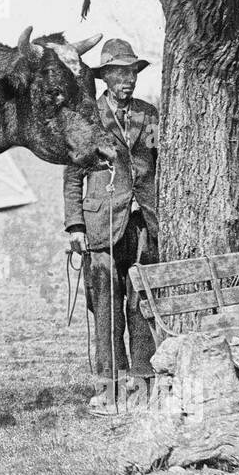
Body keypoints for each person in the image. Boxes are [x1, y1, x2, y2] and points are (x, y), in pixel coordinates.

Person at [63, 38, 160, 414]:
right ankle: (110, 387)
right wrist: (75, 226)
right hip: (101, 224)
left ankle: (142, 381)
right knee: (105, 305)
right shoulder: (89, 119)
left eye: (132, 72)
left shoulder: (148, 115)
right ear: (105, 77)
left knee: (142, 302)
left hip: (143, 223)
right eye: (120, 73)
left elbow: (159, 161)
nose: (128, 80)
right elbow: (73, 178)